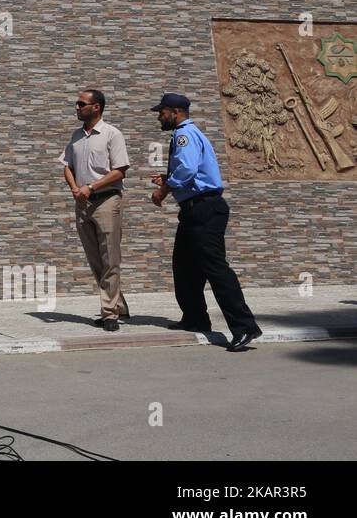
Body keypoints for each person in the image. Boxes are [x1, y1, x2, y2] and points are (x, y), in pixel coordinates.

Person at [149, 93, 262, 351]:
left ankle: (245, 327)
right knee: (184, 266)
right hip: (193, 210)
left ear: (175, 112)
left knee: (215, 269)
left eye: (162, 111)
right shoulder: (188, 134)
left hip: (204, 209)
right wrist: (168, 177)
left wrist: (164, 189)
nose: (159, 116)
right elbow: (190, 169)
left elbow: (187, 170)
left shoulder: (183, 135)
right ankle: (195, 318)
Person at [58, 89, 131, 331]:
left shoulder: (112, 134)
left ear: (96, 107)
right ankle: (118, 303)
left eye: (81, 104)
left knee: (110, 258)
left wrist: (90, 186)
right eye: (77, 104)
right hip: (83, 203)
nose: (77, 108)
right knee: (95, 259)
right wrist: (75, 189)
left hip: (107, 201)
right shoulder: (76, 136)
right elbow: (67, 165)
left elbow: (120, 170)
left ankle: (109, 313)